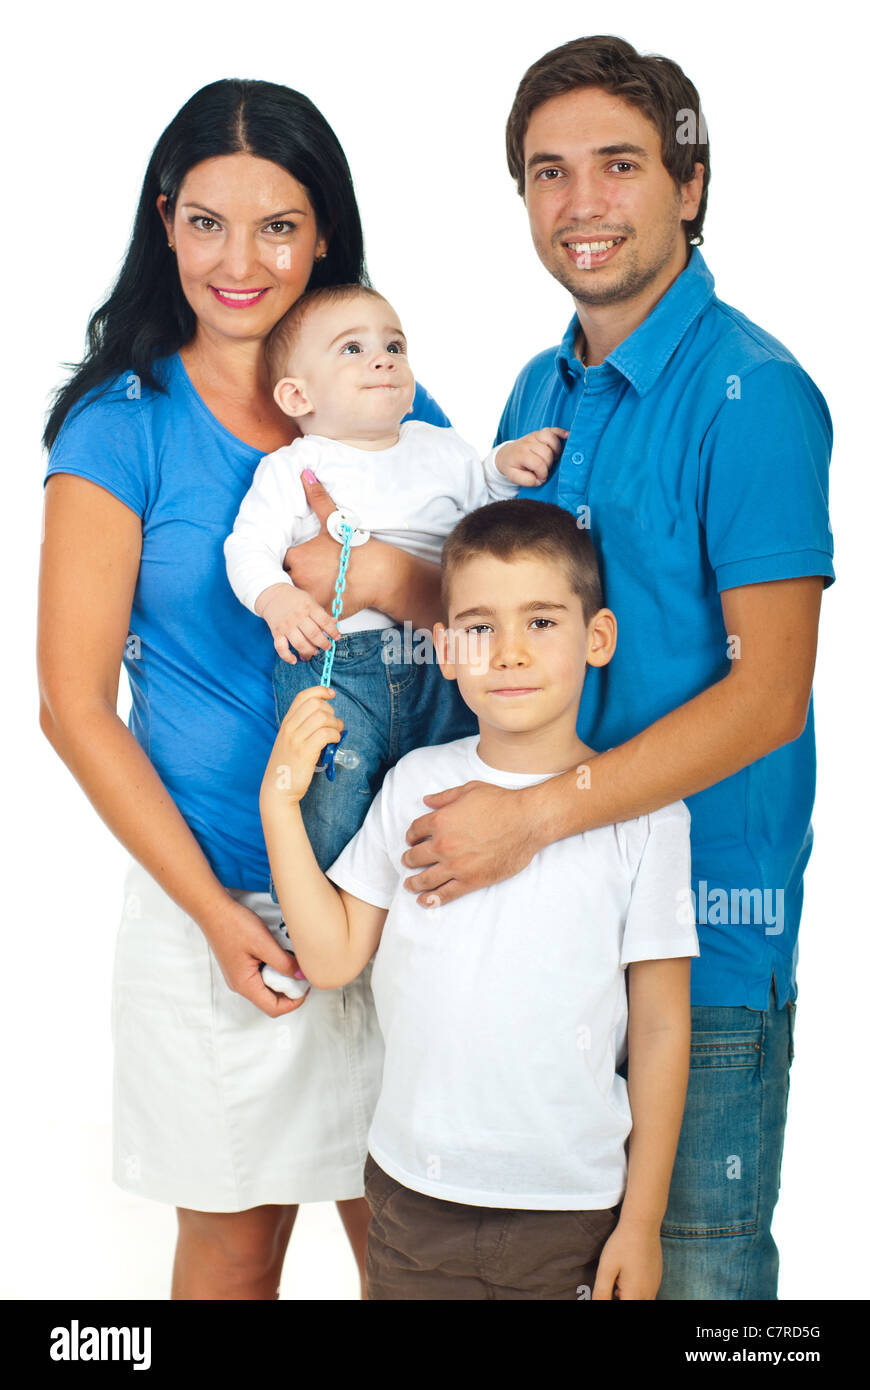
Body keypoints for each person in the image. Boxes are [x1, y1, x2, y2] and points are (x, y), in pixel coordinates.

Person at [394, 36, 834, 1300]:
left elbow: (768, 695)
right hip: (548, 943)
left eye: (620, 166)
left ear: (689, 186)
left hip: (706, 958)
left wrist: (533, 819)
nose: (581, 205)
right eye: (548, 173)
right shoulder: (542, 384)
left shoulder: (755, 393)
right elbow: (496, 627)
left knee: (696, 1293)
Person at [36, 78, 466, 1300]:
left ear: (323, 231)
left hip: (392, 893)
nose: (242, 260)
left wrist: (373, 566)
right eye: (209, 222)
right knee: (233, 1249)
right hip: (222, 905)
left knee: (421, 1251)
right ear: (164, 222)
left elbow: (471, 614)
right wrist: (218, 918)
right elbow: (73, 706)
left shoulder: (383, 396)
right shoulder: (120, 432)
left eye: (278, 225)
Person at [261, 498, 700, 1300]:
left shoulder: (647, 818)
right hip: (410, 1201)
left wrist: (641, 1222)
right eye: (479, 627)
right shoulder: (416, 784)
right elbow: (329, 956)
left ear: (596, 638)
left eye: (540, 622)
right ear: (444, 649)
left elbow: (664, 1026)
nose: (508, 654)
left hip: (570, 1212)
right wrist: (278, 807)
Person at [224, 281, 564, 986]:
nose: (382, 360)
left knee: (444, 786)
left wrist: (505, 465)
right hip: (335, 662)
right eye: (353, 349)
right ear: (297, 398)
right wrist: (278, 597)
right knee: (334, 794)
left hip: (440, 663)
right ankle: (306, 925)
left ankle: (426, 929)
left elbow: (487, 515)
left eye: (394, 346)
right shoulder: (294, 468)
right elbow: (246, 548)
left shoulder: (439, 448)